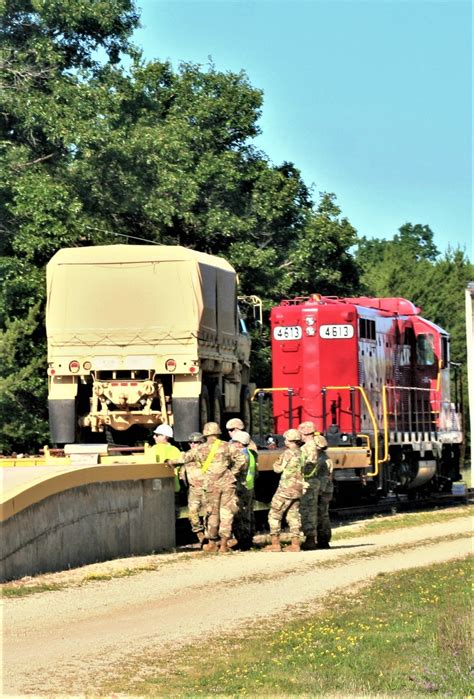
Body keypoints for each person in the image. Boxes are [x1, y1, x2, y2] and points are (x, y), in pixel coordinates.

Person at [180, 422, 247, 554]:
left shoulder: (200, 449)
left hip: (210, 485)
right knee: (226, 513)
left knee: (212, 514)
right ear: (218, 432)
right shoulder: (228, 446)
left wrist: (169, 462)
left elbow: (183, 458)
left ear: (205, 434)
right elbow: (242, 460)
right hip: (228, 484)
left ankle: (212, 544)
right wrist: (232, 472)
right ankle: (223, 545)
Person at [264, 428, 306, 552]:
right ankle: (295, 543)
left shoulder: (288, 453)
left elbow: (278, 469)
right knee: (293, 516)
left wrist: (276, 463)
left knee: (274, 514)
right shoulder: (302, 453)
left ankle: (275, 544)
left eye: (286, 439)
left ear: (290, 440)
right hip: (298, 488)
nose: (285, 442)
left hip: (286, 489)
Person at [228, 429, 257, 550]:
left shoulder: (241, 456)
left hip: (241, 487)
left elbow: (235, 471)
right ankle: (248, 539)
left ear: (239, 444)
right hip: (249, 486)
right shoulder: (251, 453)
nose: (232, 444)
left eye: (234, 442)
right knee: (248, 514)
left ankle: (243, 541)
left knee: (239, 515)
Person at [178, 432, 207, 545]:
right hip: (194, 489)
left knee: (209, 514)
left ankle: (211, 537)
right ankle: (200, 535)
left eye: (196, 442)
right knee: (192, 512)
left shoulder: (205, 454)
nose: (193, 444)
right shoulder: (188, 455)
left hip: (206, 488)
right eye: (190, 442)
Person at [298, 421, 320, 551]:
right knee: (313, 510)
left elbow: (304, 465)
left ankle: (310, 539)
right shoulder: (316, 445)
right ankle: (314, 538)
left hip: (307, 482)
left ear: (304, 433)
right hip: (313, 481)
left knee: (307, 511)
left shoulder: (306, 448)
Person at [314, 434, 334, 548]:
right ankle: (324, 539)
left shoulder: (321, 460)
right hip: (326, 489)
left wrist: (319, 491)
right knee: (324, 514)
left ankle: (322, 540)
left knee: (321, 515)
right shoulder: (326, 458)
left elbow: (324, 478)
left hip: (322, 490)